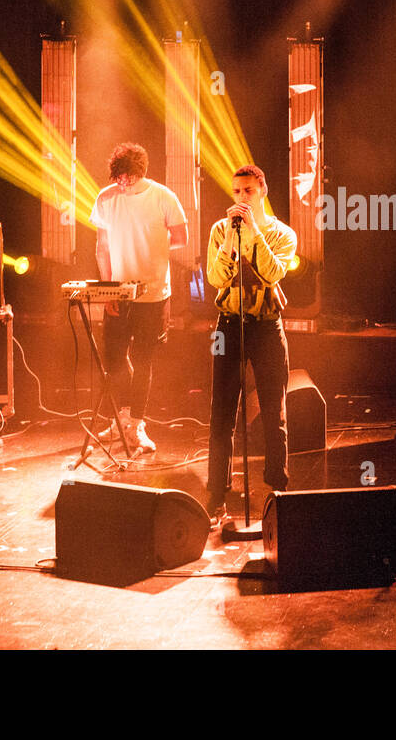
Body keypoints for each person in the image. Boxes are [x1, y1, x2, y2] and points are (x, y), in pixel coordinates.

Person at [204, 165, 297, 522]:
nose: (242, 199)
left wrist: (254, 232)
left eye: (248, 192)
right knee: (221, 412)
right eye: (237, 193)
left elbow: (274, 272)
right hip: (227, 325)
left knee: (275, 410)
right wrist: (230, 239)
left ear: (263, 191)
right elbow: (216, 278)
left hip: (267, 325)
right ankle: (216, 493)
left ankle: (278, 489)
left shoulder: (282, 234)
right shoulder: (219, 230)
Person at [90, 143, 188, 455]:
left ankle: (137, 423)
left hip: (154, 292)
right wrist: (108, 289)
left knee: (144, 358)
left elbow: (181, 237)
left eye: (128, 178)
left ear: (140, 173)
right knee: (116, 357)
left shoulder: (163, 197)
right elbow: (101, 246)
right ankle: (122, 418)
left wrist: (152, 248)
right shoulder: (106, 198)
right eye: (118, 177)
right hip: (119, 291)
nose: (123, 183)